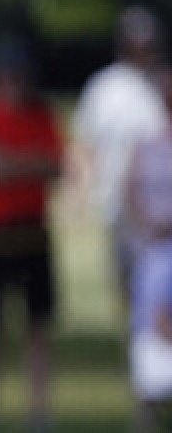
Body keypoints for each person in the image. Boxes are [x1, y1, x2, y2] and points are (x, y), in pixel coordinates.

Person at [0, 39, 63, 433]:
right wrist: (30, 164)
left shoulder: (41, 116)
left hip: (33, 227)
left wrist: (16, 163)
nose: (13, 84)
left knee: (38, 326)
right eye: (7, 76)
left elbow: (56, 168)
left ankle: (39, 414)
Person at [73, 6, 168, 311]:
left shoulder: (160, 86)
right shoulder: (104, 88)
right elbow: (87, 144)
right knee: (126, 284)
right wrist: (80, 196)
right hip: (118, 203)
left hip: (159, 205)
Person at [124, 63, 172, 430]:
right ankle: (150, 402)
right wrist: (148, 223)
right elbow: (131, 190)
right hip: (154, 249)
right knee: (150, 324)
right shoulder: (148, 143)